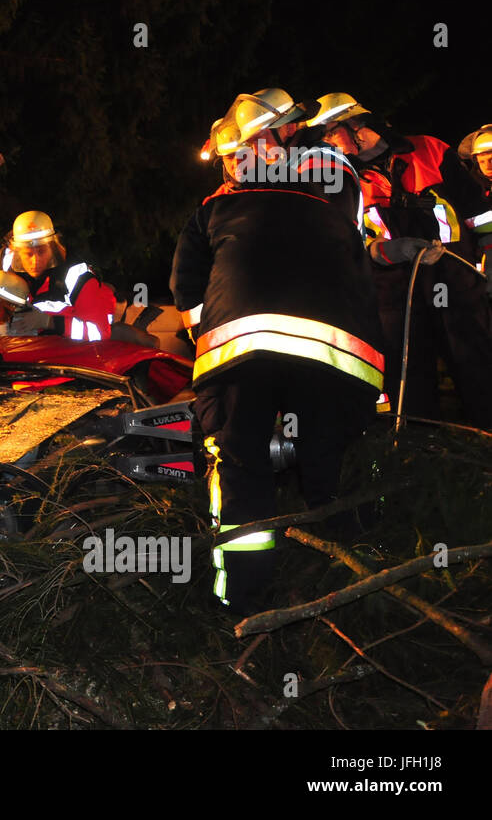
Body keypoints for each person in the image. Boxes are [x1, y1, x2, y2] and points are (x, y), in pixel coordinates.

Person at [173, 89, 384, 615]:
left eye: (239, 153)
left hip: (243, 352)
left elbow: (186, 294)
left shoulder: (217, 209)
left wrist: (213, 358)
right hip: (339, 354)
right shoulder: (330, 196)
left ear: (281, 137)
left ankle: (240, 602)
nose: (232, 167)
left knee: (239, 461)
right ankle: (355, 585)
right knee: (326, 455)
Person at [305, 94, 492, 426]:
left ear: (356, 126)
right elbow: (347, 240)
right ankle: (421, 459)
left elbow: (480, 211)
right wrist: (390, 251)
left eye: (330, 133)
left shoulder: (429, 150)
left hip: (455, 282)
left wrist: (489, 252)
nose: (327, 143)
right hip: (393, 294)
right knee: (410, 383)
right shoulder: (341, 177)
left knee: (476, 367)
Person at [0, 210, 116, 342]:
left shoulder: (76, 275)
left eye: (41, 252)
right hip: (19, 342)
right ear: (17, 251)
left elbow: (99, 332)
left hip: (63, 348)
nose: (35, 261)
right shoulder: (6, 263)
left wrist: (50, 323)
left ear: (53, 247)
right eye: (28, 254)